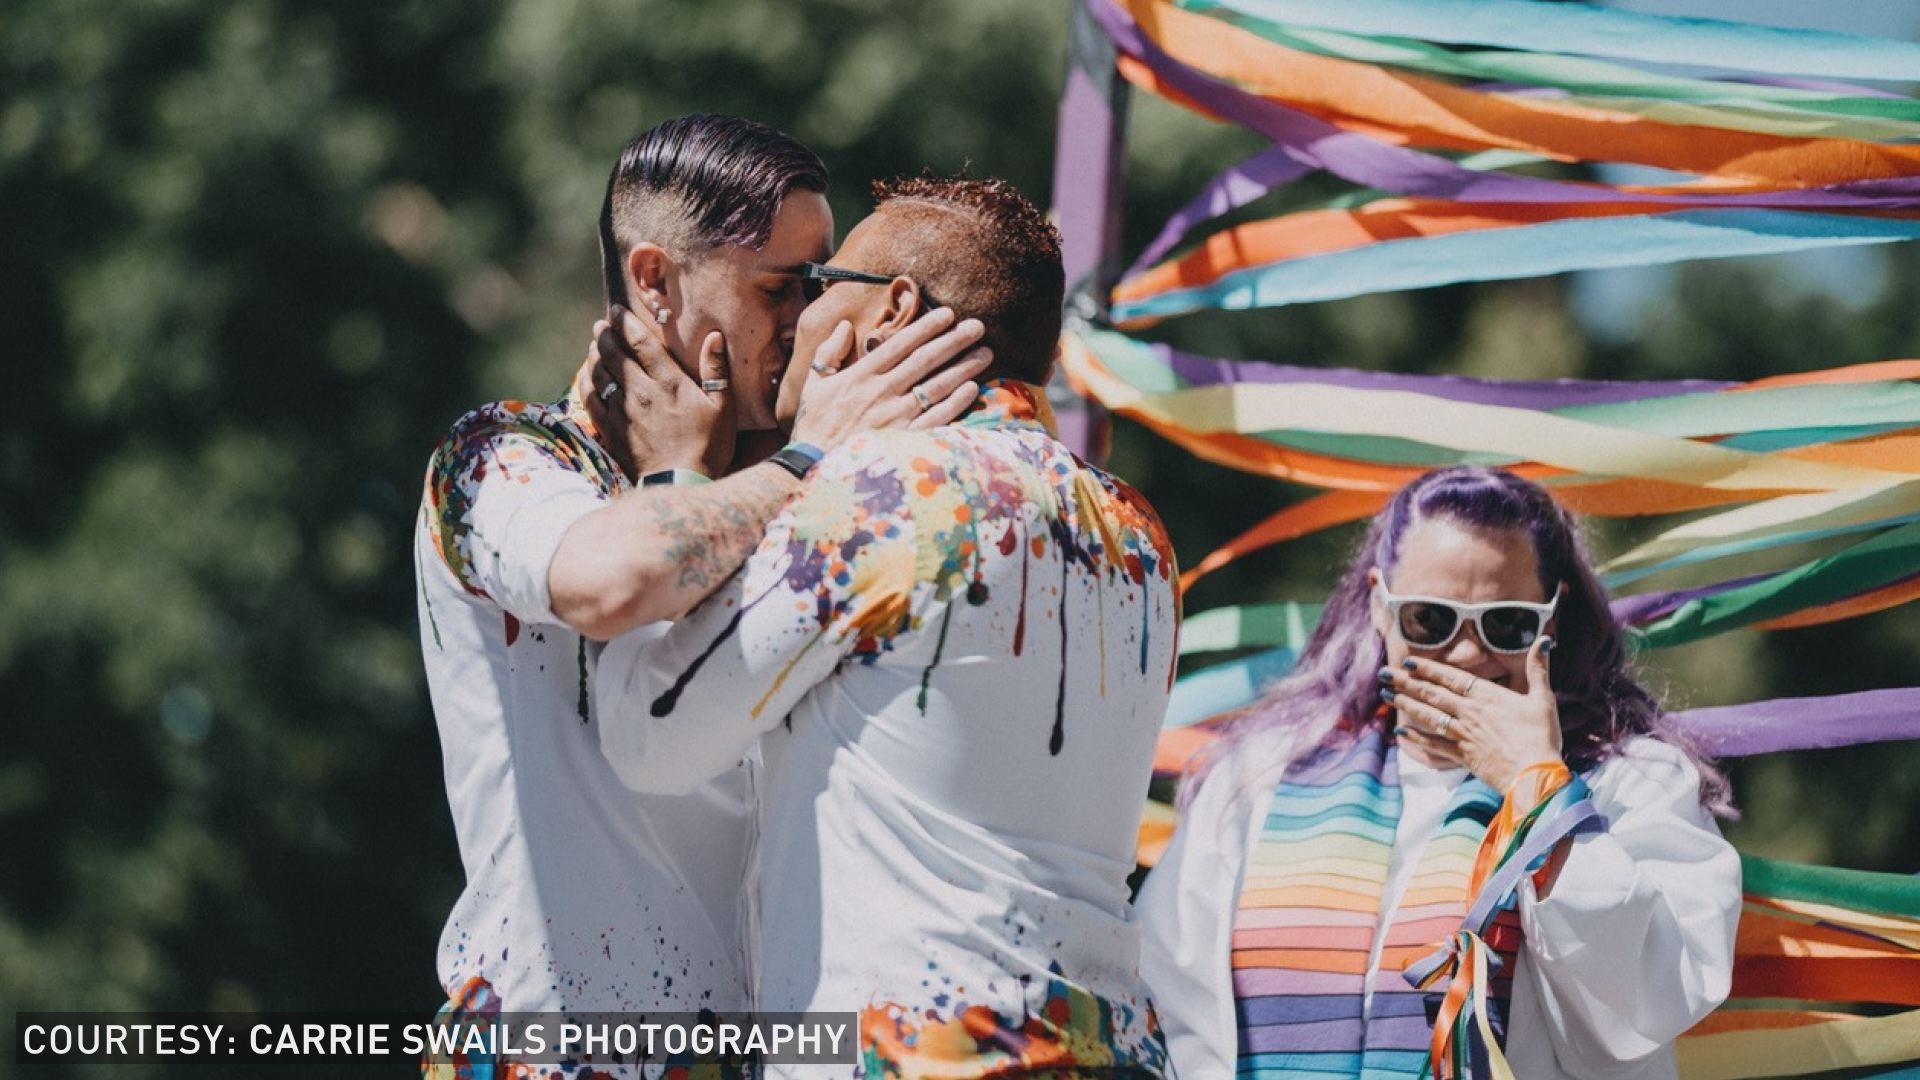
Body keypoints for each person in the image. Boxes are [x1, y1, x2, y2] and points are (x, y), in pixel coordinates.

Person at [413, 112, 988, 1063]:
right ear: (654, 280)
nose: (810, 318)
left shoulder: (796, 494)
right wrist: (811, 460)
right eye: (781, 287)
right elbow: (615, 579)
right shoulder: (502, 459)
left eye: (820, 285)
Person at [592, 176, 1182, 1079]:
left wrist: (674, 486)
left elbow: (649, 739)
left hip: (924, 1054)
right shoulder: (1137, 530)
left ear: (892, 307)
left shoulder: (888, 492)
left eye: (821, 285)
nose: (795, 318)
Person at [1136, 465, 1741, 1080]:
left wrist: (1536, 786)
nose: (1467, 654)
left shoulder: (1628, 786)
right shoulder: (1258, 777)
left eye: (1507, 624)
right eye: (1431, 620)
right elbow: (1164, 1002)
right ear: (1379, 607)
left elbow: (1646, 1003)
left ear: (1551, 621)